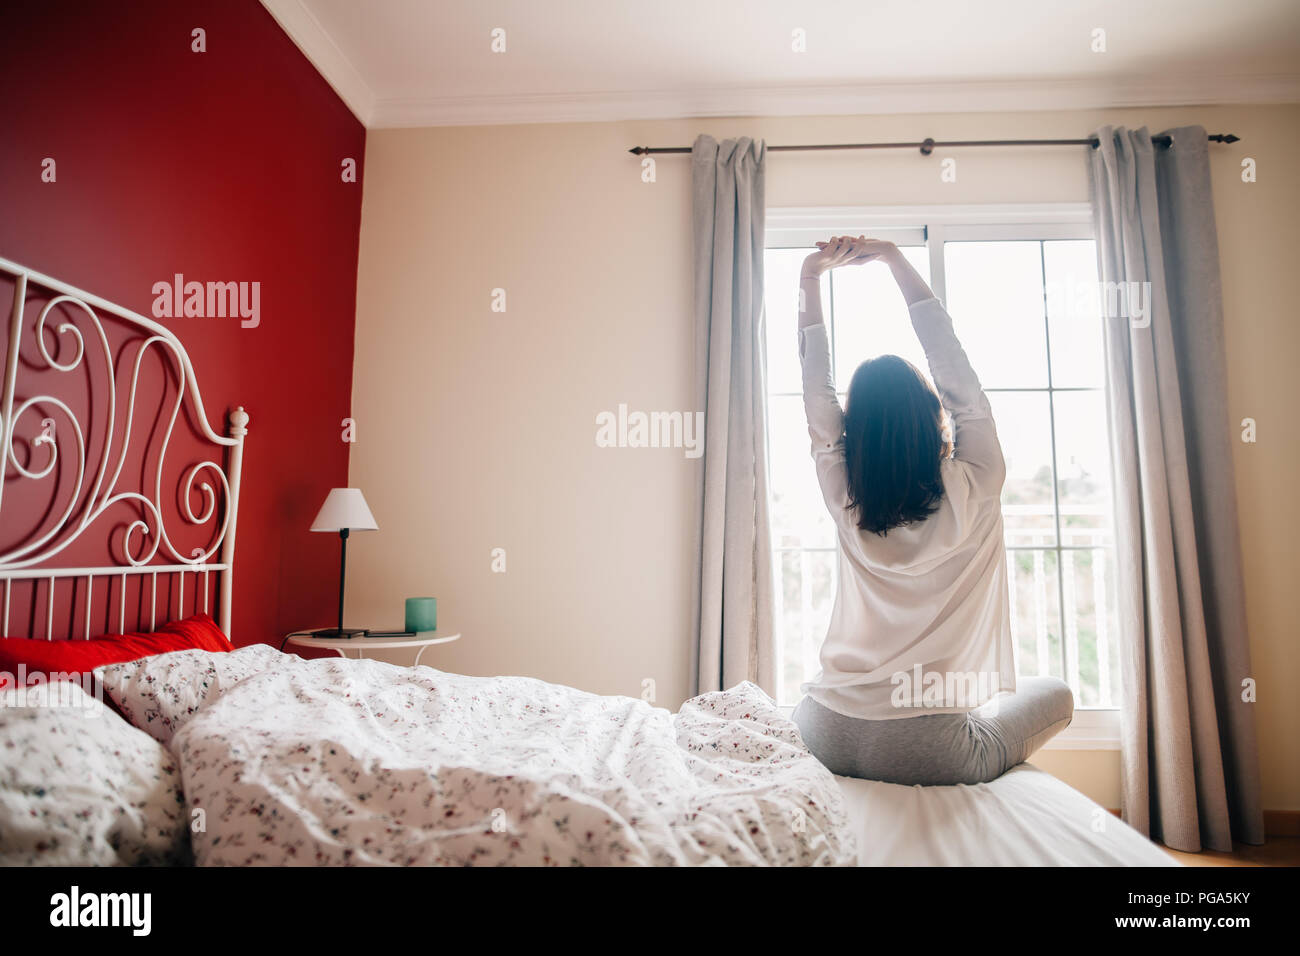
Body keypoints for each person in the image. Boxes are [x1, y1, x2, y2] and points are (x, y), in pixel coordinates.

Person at [790, 235, 1074, 786]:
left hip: (822, 731)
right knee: (1056, 694)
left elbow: (814, 394)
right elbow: (959, 380)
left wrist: (809, 276)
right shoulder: (979, 480)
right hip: (926, 748)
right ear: (933, 414)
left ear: (853, 431)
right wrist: (895, 260)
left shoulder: (846, 494)